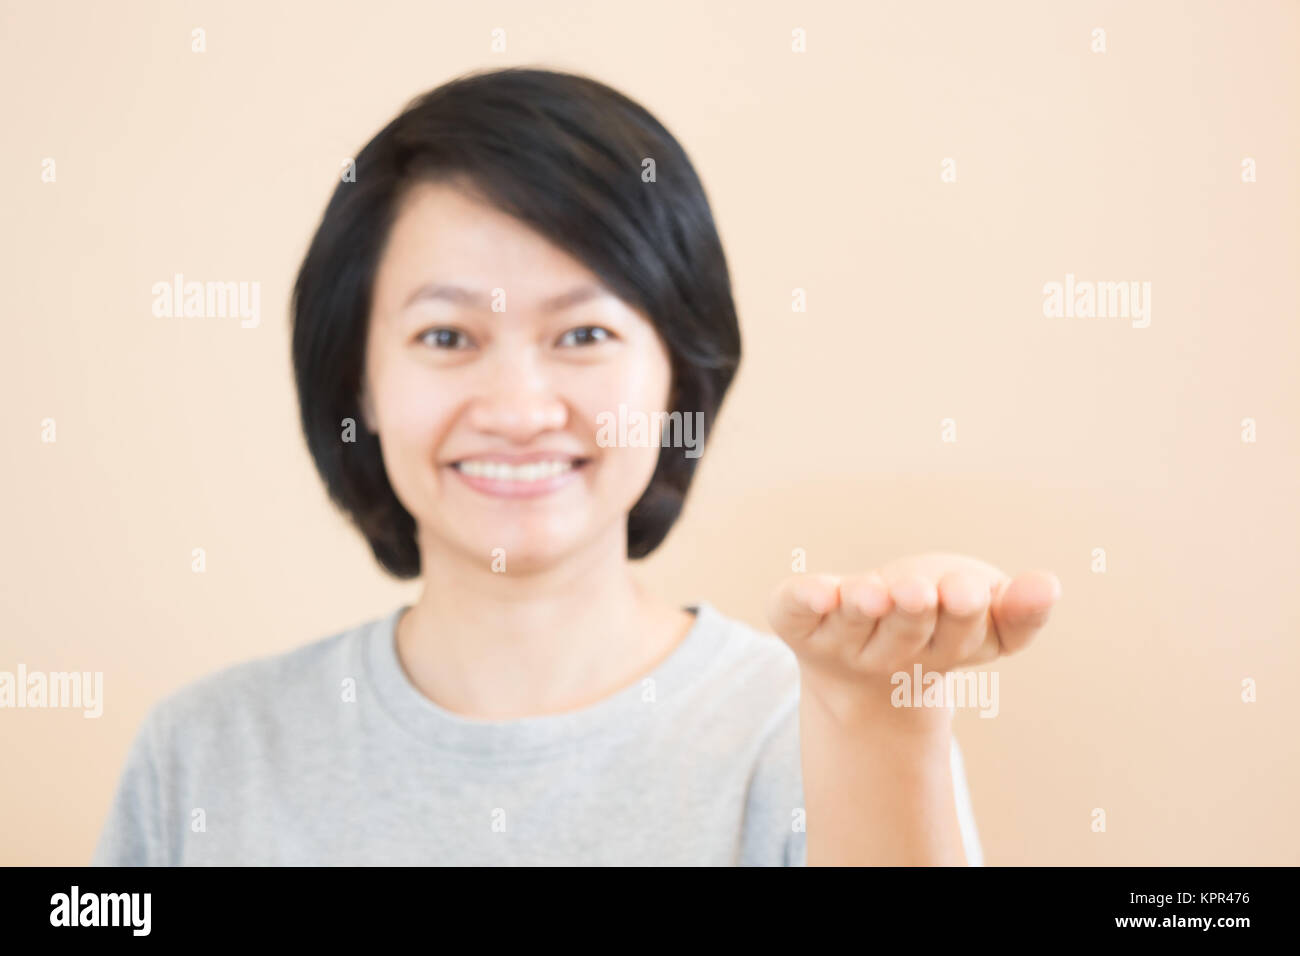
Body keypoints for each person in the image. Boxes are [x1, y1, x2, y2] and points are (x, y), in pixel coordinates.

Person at [92, 66, 1059, 866]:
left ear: (679, 375)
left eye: (584, 332)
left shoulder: (815, 728)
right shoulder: (202, 758)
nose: (518, 410)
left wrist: (883, 728)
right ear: (358, 386)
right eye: (445, 335)